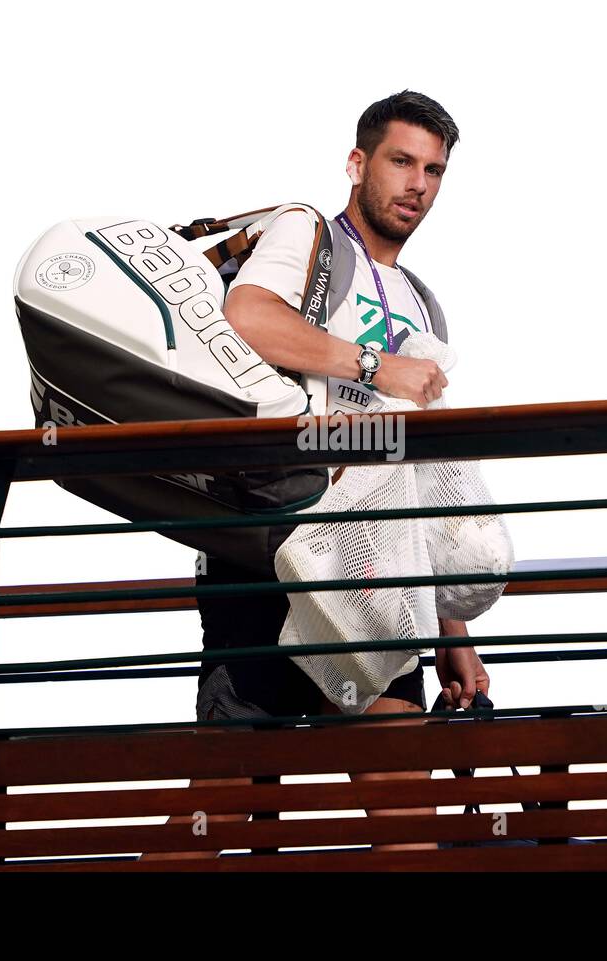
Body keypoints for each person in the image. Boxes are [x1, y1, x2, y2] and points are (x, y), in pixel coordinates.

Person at [143, 90, 490, 861]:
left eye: (433, 170)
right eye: (401, 162)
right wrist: (376, 365)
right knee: (227, 800)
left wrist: (451, 629)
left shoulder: (424, 305)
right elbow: (250, 315)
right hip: (270, 550)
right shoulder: (309, 234)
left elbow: (413, 474)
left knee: (404, 808)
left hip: (372, 568)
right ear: (358, 162)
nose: (417, 185)